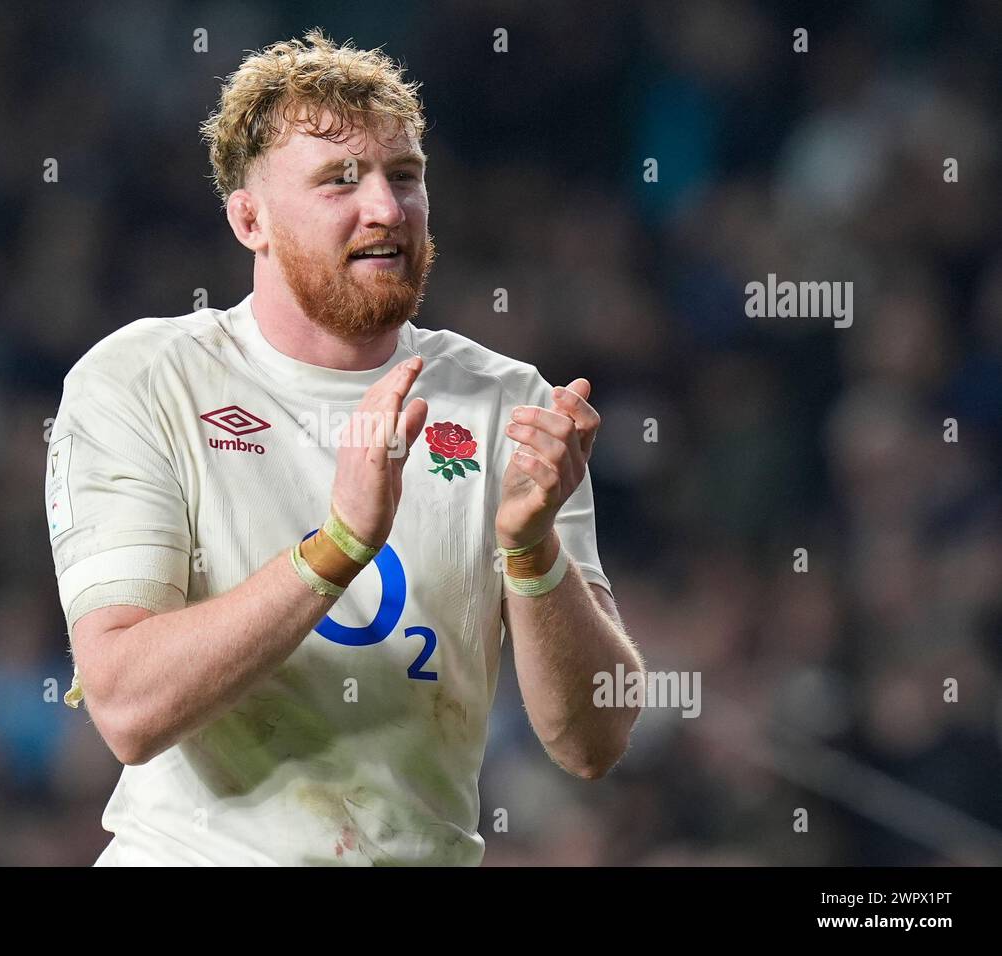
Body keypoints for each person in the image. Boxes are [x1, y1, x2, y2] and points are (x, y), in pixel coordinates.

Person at [45, 28, 643, 865]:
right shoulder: (144, 380)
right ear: (250, 218)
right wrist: (339, 546)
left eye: (405, 177)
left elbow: (594, 740)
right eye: (340, 180)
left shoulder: (510, 404)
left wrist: (532, 549)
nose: (387, 209)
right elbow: (127, 708)